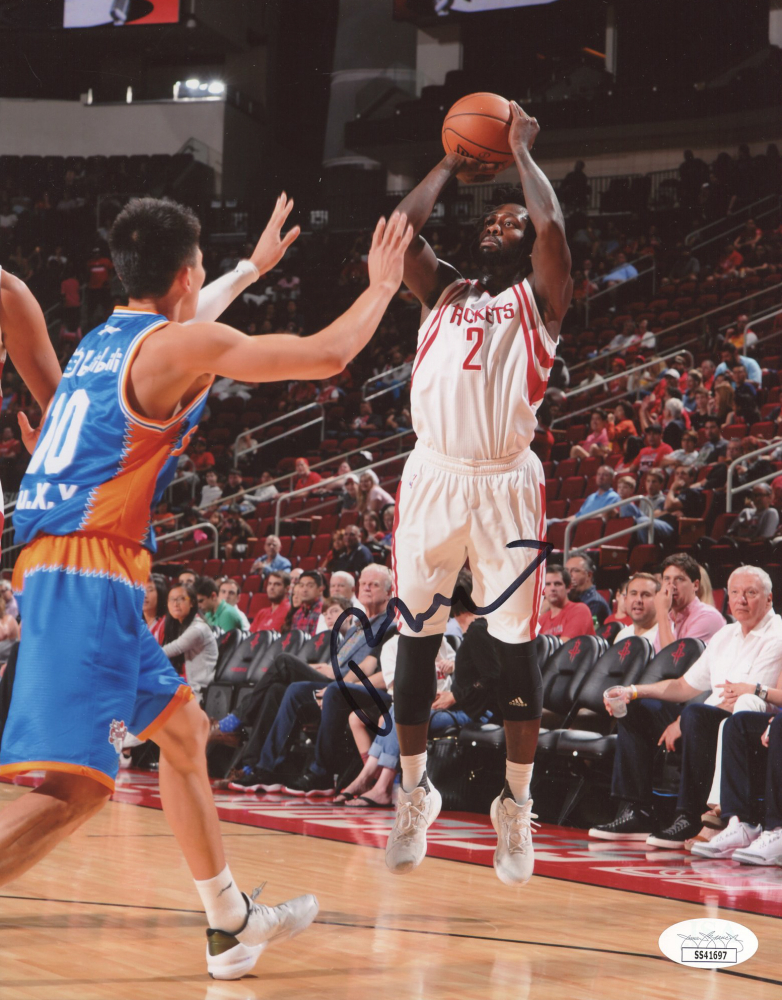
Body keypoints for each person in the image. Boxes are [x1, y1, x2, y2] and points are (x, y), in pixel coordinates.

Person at [0, 193, 413, 978]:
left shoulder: (104, 341)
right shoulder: (165, 352)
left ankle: (228, 924)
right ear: (184, 274)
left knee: (185, 737)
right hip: (84, 573)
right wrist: (385, 284)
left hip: (84, 571)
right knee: (78, 790)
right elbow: (327, 354)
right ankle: (227, 919)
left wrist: (252, 269)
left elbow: (192, 327)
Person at [386, 101, 572, 885]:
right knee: (415, 642)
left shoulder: (542, 302)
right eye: (491, 218)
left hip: (505, 484)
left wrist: (522, 152)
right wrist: (446, 165)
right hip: (432, 475)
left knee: (515, 651)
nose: (500, 224)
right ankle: (413, 792)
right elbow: (397, 236)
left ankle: (515, 806)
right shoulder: (446, 295)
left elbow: (556, 234)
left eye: (511, 220)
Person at [590, 568, 782, 848]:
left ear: (768, 599)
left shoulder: (776, 635)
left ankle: (694, 816)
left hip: (749, 724)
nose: (741, 600)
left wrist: (681, 720)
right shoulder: (726, 635)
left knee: (697, 715)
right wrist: (632, 691)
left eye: (751, 593)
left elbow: (749, 700)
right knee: (638, 708)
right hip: (712, 715)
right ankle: (636, 810)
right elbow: (683, 685)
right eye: (736, 593)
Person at [651, 553, 724, 653]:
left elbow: (674, 661)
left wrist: (662, 613)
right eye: (667, 579)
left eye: (679, 579)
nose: (672, 586)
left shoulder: (708, 616)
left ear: (695, 585)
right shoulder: (668, 619)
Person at [162, 583, 219, 705]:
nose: (175, 604)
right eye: (171, 599)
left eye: (181, 599)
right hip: (184, 688)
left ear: (192, 603)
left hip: (200, 693)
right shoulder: (178, 627)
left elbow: (172, 649)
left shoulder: (198, 629)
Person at [538, 566, 595, 640]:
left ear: (568, 588)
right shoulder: (542, 620)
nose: (552, 588)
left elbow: (566, 646)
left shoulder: (580, 610)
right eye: (548, 584)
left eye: (557, 584)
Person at [613, 573, 660, 644]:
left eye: (646, 595)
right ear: (625, 600)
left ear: (658, 600)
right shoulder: (622, 636)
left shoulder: (664, 637)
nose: (638, 600)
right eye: (633, 593)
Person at [565, 554, 610, 625]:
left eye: (575, 571)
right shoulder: (568, 596)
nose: (568, 575)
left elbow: (578, 629)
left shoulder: (595, 602)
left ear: (589, 575)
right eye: (566, 571)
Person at [143, 573, 169, 643]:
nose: (144, 595)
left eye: (150, 590)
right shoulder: (135, 622)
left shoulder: (166, 624)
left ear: (161, 594)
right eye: (142, 589)